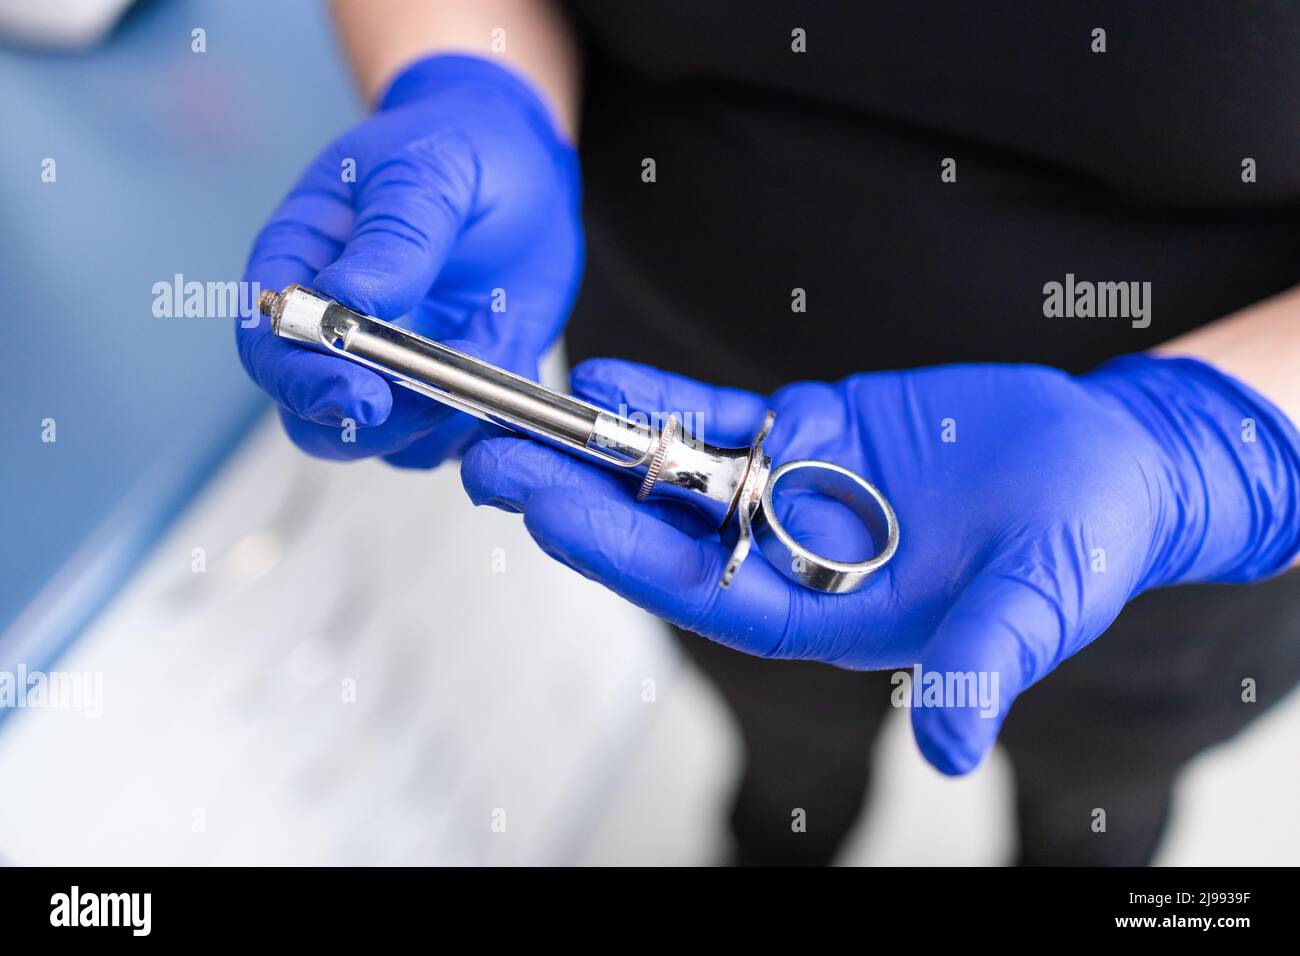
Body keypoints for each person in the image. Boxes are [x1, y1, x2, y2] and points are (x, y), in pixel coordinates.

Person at [238, 1, 1300, 865]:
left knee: (1097, 808)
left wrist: (1211, 446)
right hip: (687, 428)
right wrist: (471, 80)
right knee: (782, 754)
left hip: (1154, 540)